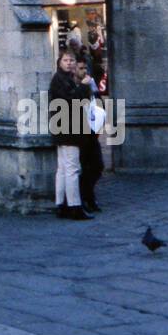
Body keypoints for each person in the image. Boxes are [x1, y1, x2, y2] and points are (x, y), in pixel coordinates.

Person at [49, 50, 93, 221]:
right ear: (60, 62)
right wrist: (84, 86)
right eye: (65, 60)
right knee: (72, 169)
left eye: (71, 60)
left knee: (63, 168)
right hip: (68, 129)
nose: (69, 63)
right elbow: (72, 101)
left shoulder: (63, 79)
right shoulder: (61, 80)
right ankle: (75, 206)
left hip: (64, 128)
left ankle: (61, 204)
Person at [76, 57, 104, 213]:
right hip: (79, 132)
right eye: (81, 68)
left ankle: (88, 195)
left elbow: (98, 103)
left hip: (92, 131)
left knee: (97, 166)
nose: (84, 71)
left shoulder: (90, 84)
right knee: (84, 167)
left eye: (85, 68)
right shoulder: (75, 86)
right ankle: (86, 197)